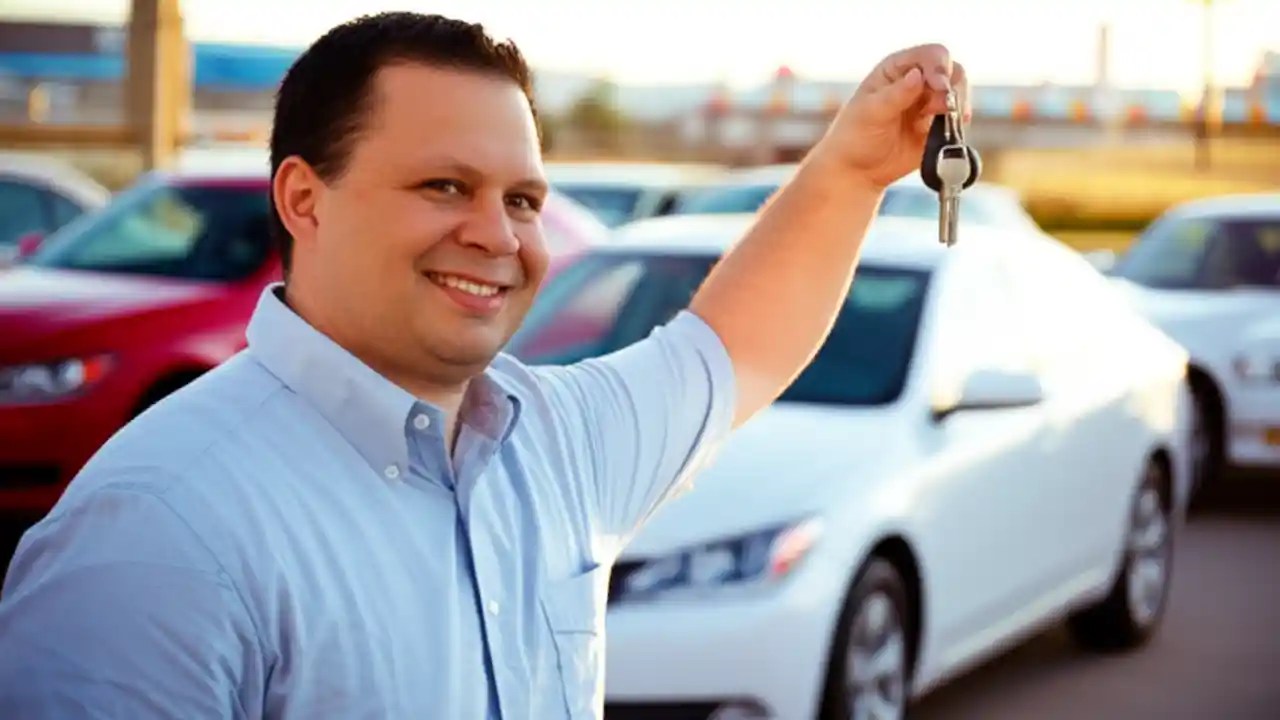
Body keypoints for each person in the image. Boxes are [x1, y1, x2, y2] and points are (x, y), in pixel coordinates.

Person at [0, 11, 967, 720]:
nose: (496, 236)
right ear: (304, 199)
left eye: (523, 198)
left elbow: (736, 345)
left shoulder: (555, 441)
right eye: (444, 186)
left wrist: (850, 170)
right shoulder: (158, 532)